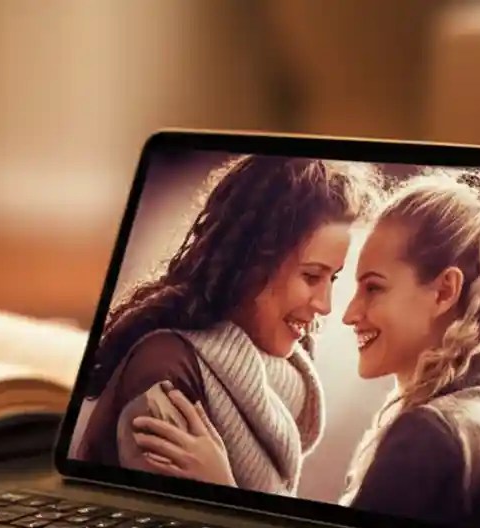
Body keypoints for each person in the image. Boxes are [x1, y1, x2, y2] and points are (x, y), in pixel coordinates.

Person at [72, 154, 381, 497]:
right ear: (252, 263)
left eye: (332, 278)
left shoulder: (282, 377)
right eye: (311, 276)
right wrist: (223, 490)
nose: (325, 305)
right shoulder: (166, 371)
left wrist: (223, 486)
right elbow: (161, 526)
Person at [336, 168, 480, 528]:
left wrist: (228, 484)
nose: (350, 314)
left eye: (373, 288)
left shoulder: (427, 435)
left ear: (444, 291)